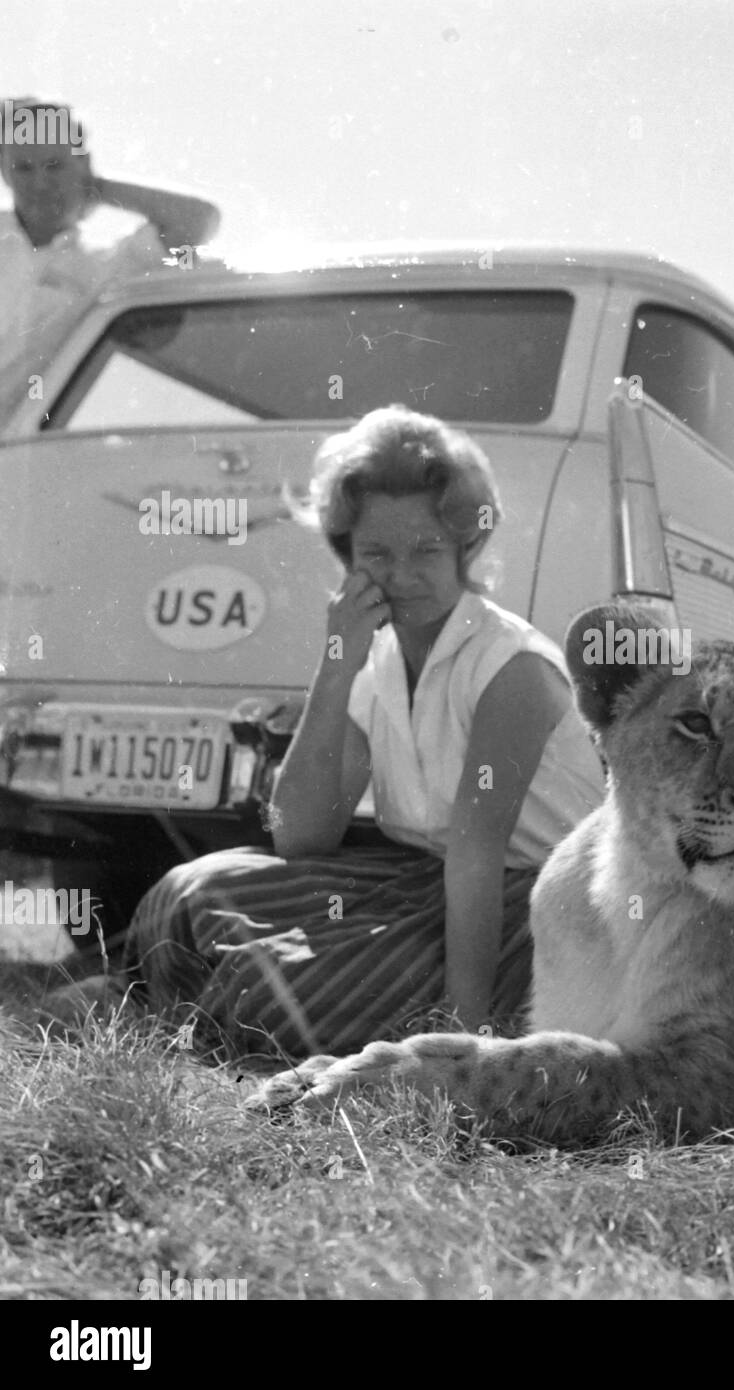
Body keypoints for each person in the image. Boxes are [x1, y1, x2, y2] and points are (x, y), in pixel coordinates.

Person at [50, 408, 606, 1057]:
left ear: (467, 546)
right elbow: (301, 835)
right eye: (376, 553)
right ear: (349, 556)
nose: (401, 574)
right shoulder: (378, 661)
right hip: (426, 884)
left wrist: (462, 1035)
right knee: (194, 886)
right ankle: (151, 1003)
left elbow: (475, 856)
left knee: (312, 986)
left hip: (533, 907)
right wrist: (337, 664)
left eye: (426, 549)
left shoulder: (509, 665)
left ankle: (159, 1011)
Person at [0, 96, 220, 408]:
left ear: (84, 165)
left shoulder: (103, 270)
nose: (40, 182)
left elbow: (195, 219)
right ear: (4, 173)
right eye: (23, 168)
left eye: (54, 166)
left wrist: (97, 187)